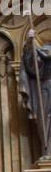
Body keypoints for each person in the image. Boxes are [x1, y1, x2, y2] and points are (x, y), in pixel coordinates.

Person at [20, 30, 51, 158]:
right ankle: (48, 151)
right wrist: (29, 45)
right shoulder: (44, 49)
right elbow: (33, 67)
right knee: (45, 119)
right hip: (46, 86)